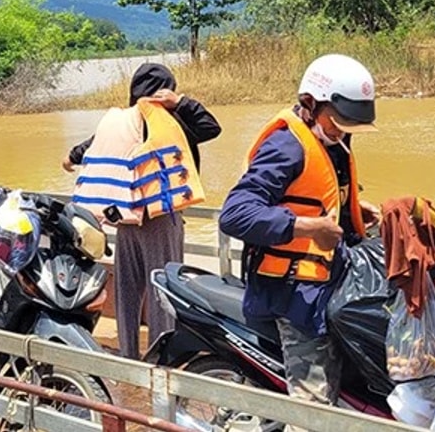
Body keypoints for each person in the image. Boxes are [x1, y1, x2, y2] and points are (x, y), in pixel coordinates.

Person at [218, 54, 381, 405]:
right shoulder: (285, 146)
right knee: (313, 406)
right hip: (293, 295)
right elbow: (234, 214)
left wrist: (353, 211)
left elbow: (314, 192)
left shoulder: (332, 140)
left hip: (330, 283)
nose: (343, 131)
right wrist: (305, 227)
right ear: (309, 103)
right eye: (338, 121)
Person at [63, 63, 221, 359]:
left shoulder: (121, 122)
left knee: (127, 291)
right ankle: (163, 357)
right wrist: (182, 103)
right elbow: (211, 128)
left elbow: (91, 147)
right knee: (164, 287)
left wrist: (71, 157)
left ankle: (128, 353)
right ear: (166, 90)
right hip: (160, 218)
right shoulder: (169, 121)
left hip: (124, 216)